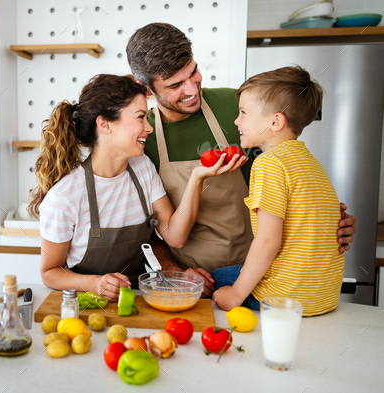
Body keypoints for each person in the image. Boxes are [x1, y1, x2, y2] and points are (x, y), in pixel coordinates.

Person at [125, 23, 357, 293]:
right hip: (195, 282)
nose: (191, 89)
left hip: (264, 275)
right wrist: (172, 271)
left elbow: (290, 175)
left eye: (193, 72)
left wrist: (327, 221)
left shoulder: (237, 106)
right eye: (176, 85)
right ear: (147, 89)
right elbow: (141, 231)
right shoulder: (143, 138)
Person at [28, 74, 245, 301]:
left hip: (140, 299)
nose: (148, 128)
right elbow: (50, 273)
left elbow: (175, 236)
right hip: (88, 304)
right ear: (104, 124)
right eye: (140, 117)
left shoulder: (141, 168)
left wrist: (197, 178)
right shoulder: (65, 197)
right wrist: (93, 282)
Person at [212, 66, 344, 316]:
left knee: (208, 280)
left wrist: (235, 295)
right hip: (321, 297)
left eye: (243, 112)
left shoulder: (269, 163)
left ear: (275, 121)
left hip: (283, 298)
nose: (236, 121)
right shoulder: (310, 163)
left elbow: (268, 242)